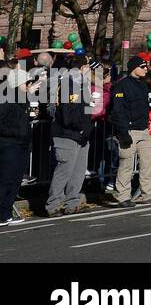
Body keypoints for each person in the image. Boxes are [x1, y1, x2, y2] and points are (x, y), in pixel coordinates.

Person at [110, 56, 151, 206]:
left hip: (143, 129)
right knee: (126, 165)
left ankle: (149, 192)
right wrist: (123, 132)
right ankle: (122, 196)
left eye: (146, 66)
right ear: (133, 68)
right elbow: (117, 111)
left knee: (147, 164)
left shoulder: (142, 85)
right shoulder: (121, 86)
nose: (145, 69)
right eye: (142, 67)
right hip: (129, 131)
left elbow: (145, 107)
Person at [45, 59, 94, 216]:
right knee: (64, 171)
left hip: (80, 136)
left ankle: (72, 202)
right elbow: (68, 114)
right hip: (68, 134)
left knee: (78, 172)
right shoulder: (69, 84)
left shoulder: (80, 84)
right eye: (87, 66)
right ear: (82, 67)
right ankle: (53, 204)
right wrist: (80, 128)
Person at [0, 64, 39, 225]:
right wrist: (15, 131)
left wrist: (30, 117)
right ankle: (1, 213)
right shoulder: (7, 99)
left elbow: (20, 120)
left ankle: (6, 212)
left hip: (21, 143)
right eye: (26, 83)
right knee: (6, 180)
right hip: (9, 144)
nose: (29, 86)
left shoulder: (21, 99)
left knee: (15, 180)